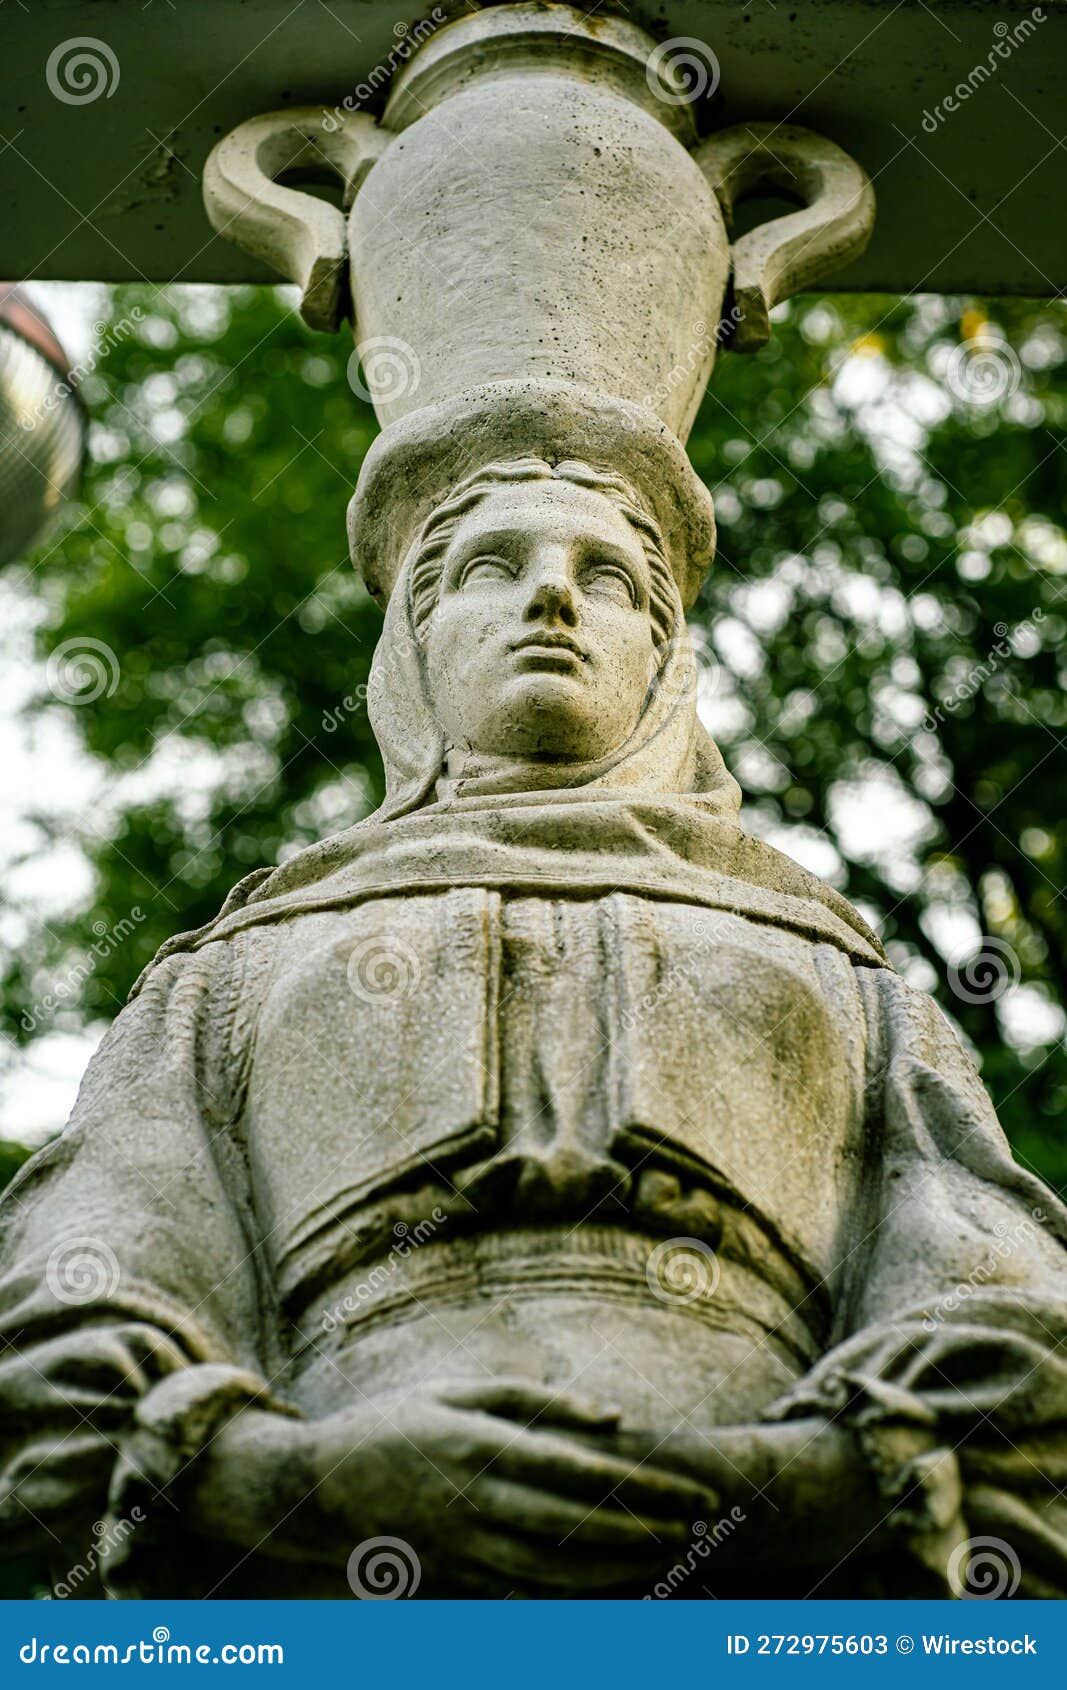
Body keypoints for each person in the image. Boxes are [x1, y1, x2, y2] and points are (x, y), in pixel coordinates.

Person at [2, 457, 1064, 1599]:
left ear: (662, 657)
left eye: (603, 578)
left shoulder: (842, 979)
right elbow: (70, 1317)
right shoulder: (232, 974)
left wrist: (803, 1479)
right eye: (489, 568)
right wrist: (276, 1479)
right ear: (416, 643)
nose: (550, 596)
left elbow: (1004, 1311)